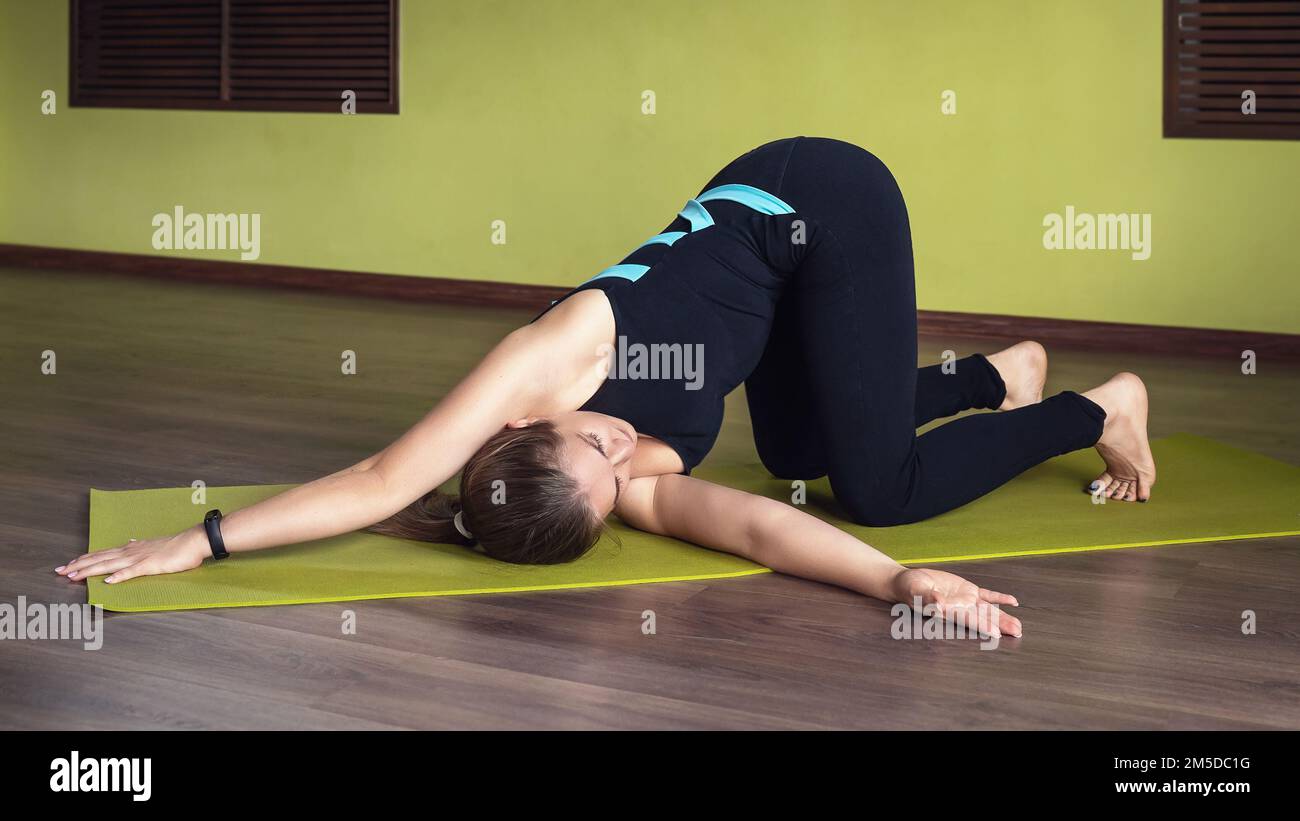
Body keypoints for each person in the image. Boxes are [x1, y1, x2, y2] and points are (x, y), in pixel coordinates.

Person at [58, 137, 1158, 639]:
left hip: (820, 196)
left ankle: (1100, 406)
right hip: (761, 253)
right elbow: (761, 526)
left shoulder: (547, 360)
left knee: (874, 482)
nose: (622, 443)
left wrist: (201, 541)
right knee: (792, 453)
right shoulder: (617, 475)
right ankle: (993, 374)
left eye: (591, 444)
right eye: (613, 471)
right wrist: (896, 584)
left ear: (534, 428)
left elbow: (384, 474)